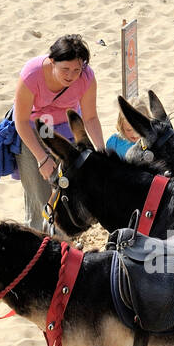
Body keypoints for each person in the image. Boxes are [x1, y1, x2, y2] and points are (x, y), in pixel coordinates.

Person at [12, 34, 106, 229]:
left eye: (76, 70)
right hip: (32, 131)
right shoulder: (32, 74)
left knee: (67, 193)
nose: (70, 76)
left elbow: (90, 118)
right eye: (65, 69)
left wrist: (100, 151)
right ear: (52, 61)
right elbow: (20, 121)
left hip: (64, 133)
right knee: (39, 195)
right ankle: (37, 242)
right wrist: (42, 159)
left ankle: (61, 245)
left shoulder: (86, 78)